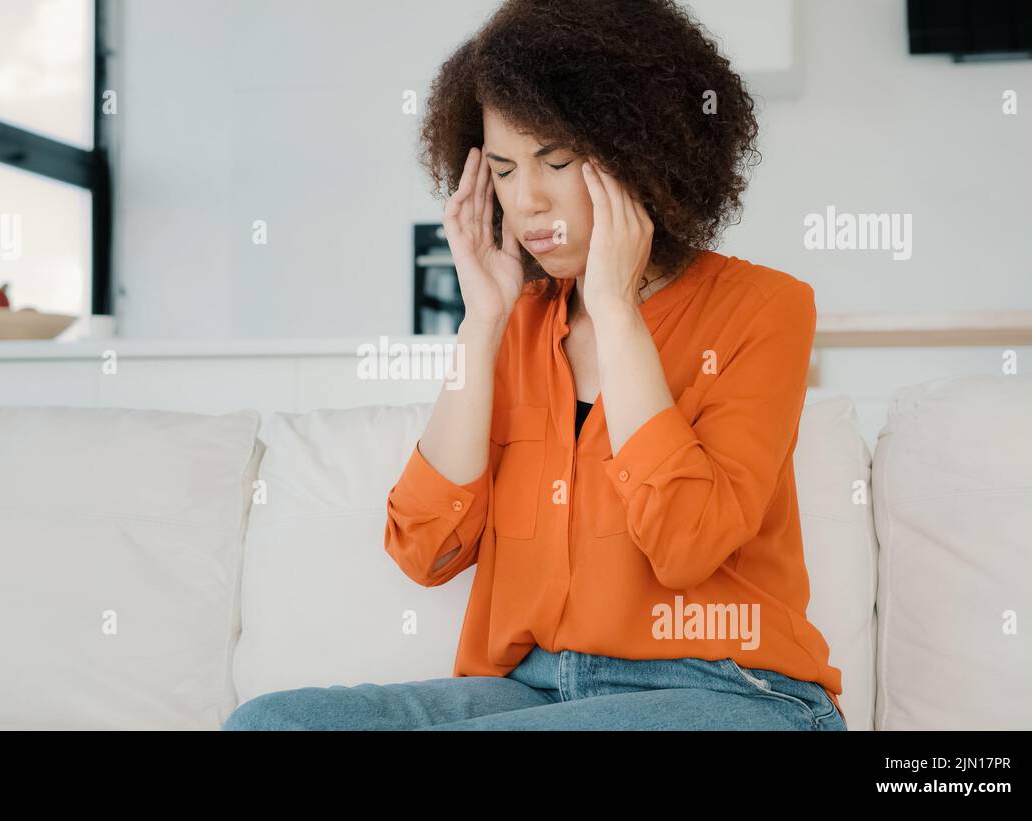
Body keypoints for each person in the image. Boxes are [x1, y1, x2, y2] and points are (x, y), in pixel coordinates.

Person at [223, 0, 846, 731]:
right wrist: (482, 321)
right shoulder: (518, 323)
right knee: (269, 724)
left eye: (555, 160)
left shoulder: (764, 308)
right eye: (505, 171)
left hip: (729, 694)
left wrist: (615, 310)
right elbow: (426, 546)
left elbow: (687, 541)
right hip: (537, 691)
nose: (529, 201)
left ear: (636, 151)